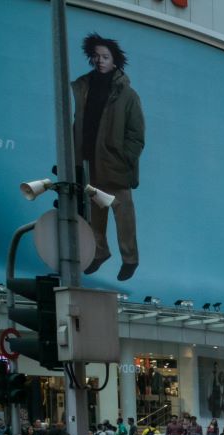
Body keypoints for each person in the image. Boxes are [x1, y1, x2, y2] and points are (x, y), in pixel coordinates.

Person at [72, 33, 143, 281]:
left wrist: (124, 158)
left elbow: (136, 135)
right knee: (95, 214)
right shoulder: (84, 88)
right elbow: (78, 124)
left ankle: (130, 259)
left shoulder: (127, 94)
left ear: (115, 61)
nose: (100, 61)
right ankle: (100, 253)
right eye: (96, 56)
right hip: (90, 162)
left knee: (123, 216)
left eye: (105, 57)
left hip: (115, 164)